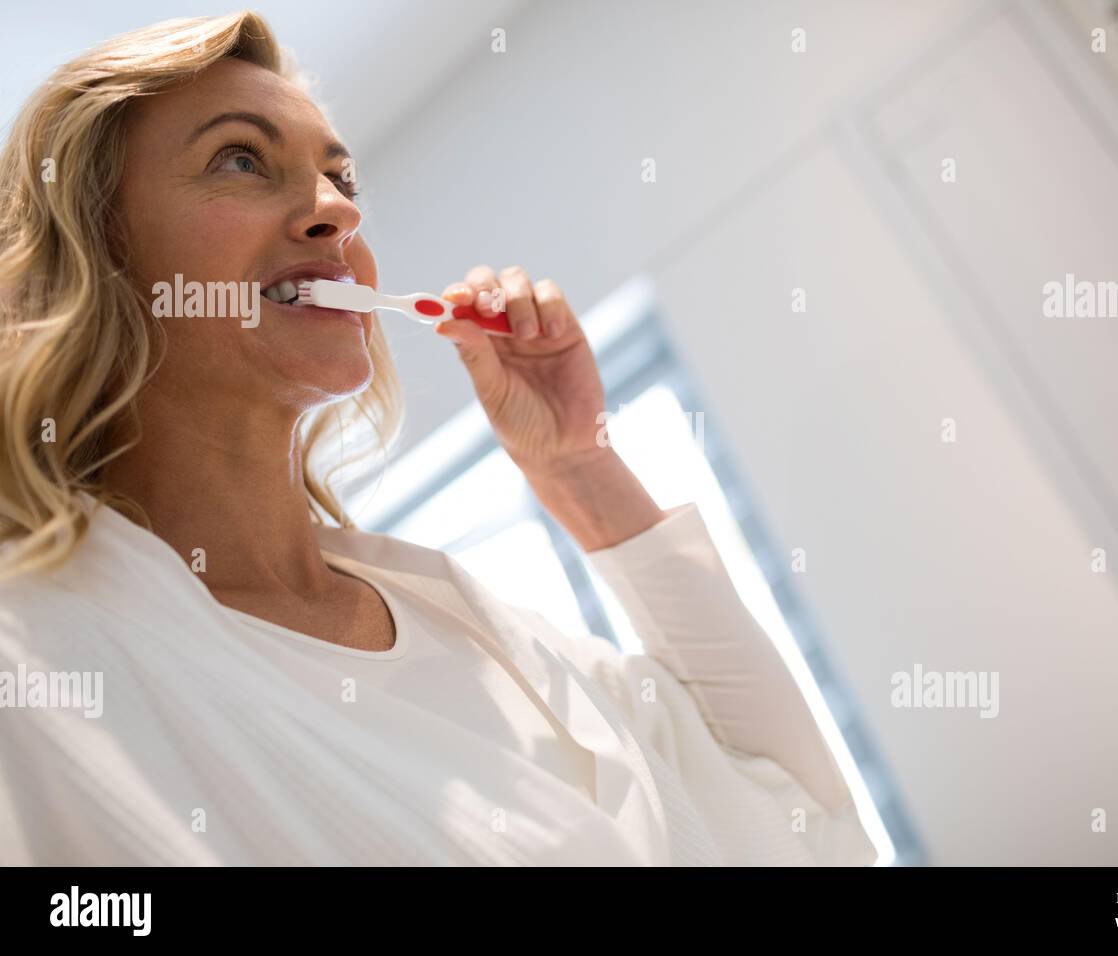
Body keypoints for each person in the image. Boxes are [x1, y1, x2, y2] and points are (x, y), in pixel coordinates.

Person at [0, 12, 875, 866]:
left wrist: (578, 467)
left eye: (342, 179)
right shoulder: (42, 666)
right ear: (93, 250)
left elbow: (811, 826)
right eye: (241, 158)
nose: (335, 213)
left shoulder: (481, 633)